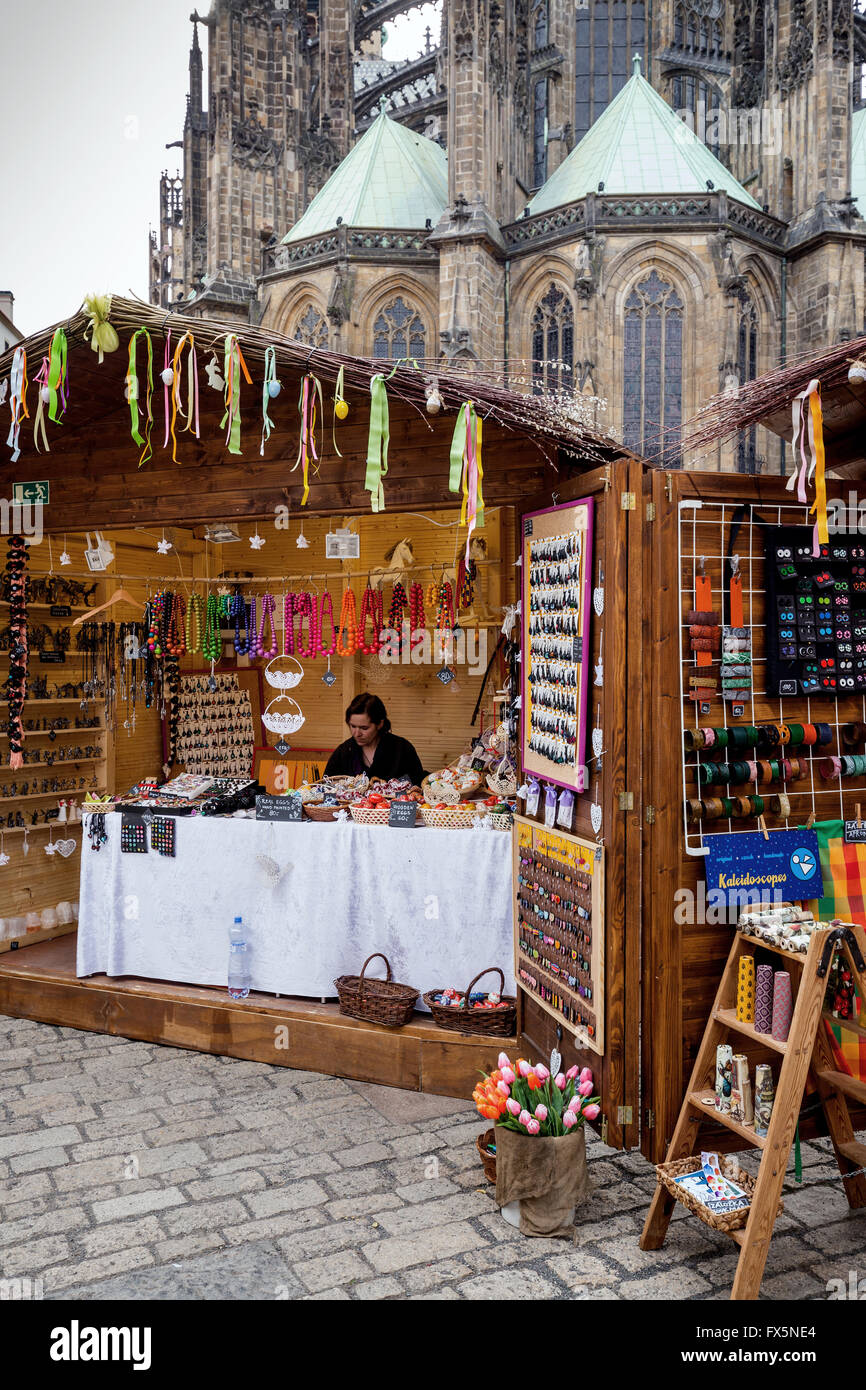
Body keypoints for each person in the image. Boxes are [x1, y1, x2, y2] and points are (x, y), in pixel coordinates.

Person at [324, 693, 425, 783]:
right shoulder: (344, 751)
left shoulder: (402, 748)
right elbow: (326, 786)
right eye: (353, 726)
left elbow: (417, 782)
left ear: (380, 724)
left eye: (364, 728)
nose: (357, 734)